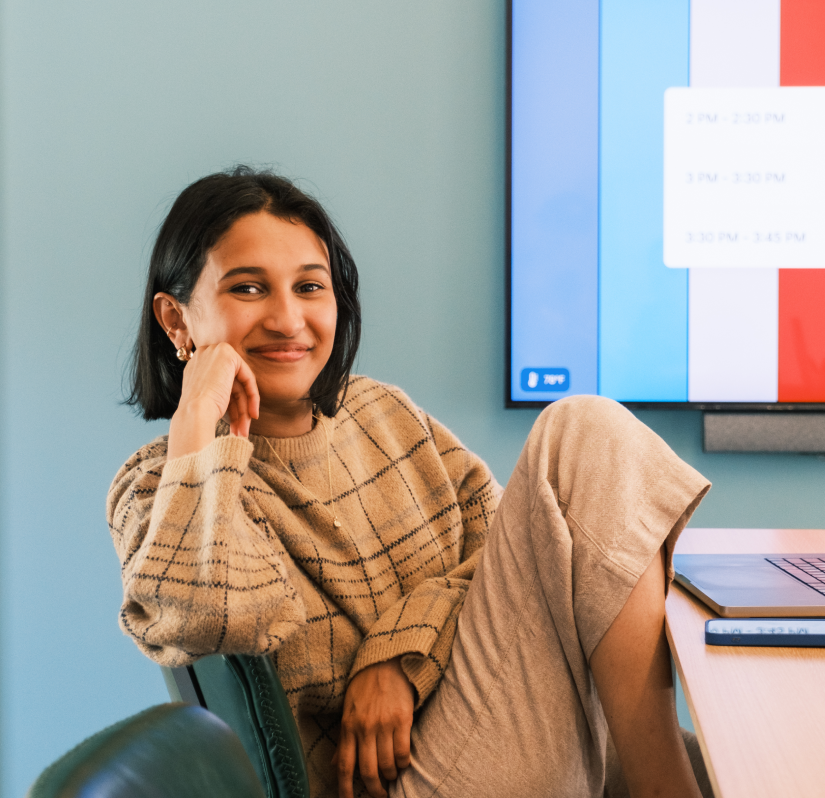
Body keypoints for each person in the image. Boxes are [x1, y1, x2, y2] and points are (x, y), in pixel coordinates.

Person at [109, 168, 712, 798]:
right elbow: (204, 619)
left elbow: (509, 559)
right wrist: (197, 429)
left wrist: (401, 658)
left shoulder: (383, 415)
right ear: (176, 321)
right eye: (249, 289)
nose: (288, 319)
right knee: (581, 429)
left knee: (755, 757)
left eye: (310, 287)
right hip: (393, 787)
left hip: (498, 732)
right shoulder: (154, 488)